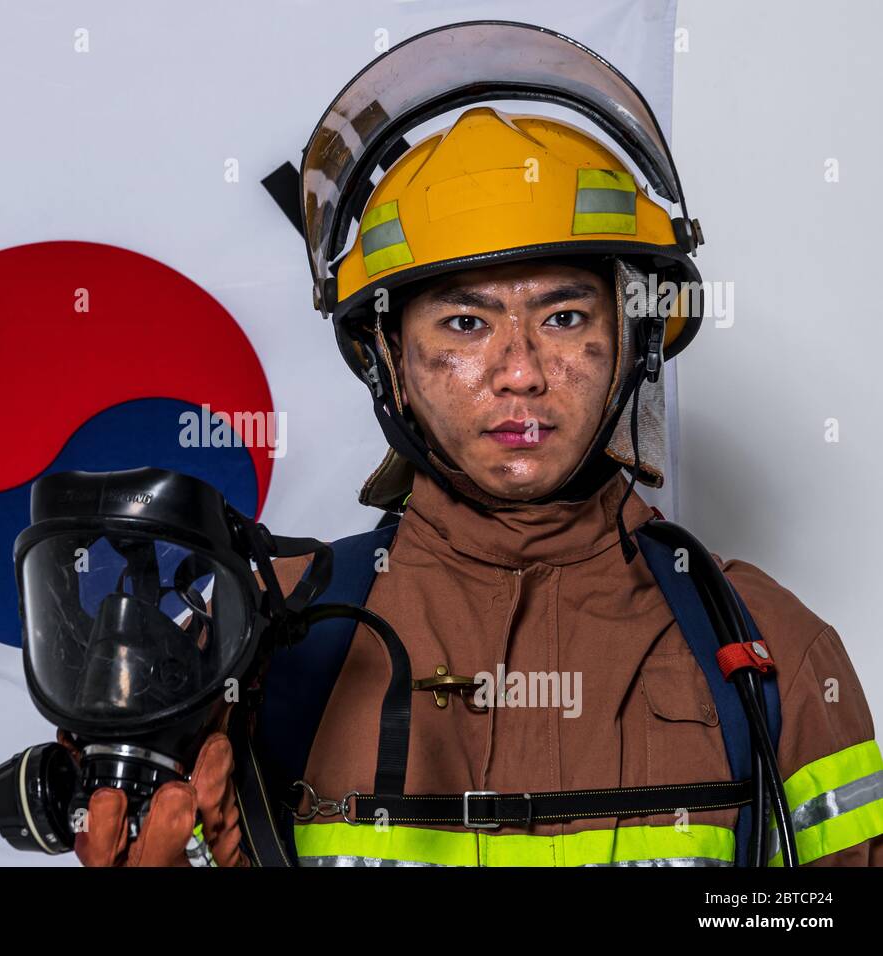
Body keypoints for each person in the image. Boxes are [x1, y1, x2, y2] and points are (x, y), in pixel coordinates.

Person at [72, 21, 883, 867]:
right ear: (389, 360)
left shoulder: (773, 650)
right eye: (465, 322)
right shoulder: (261, 633)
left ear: (635, 340)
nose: (521, 372)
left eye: (564, 317)